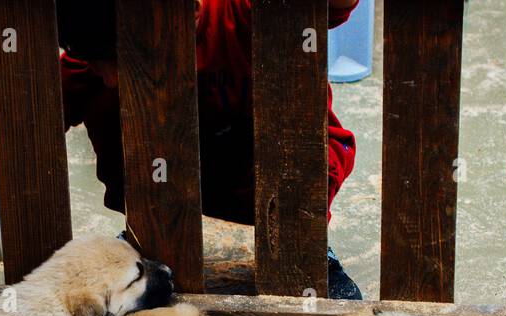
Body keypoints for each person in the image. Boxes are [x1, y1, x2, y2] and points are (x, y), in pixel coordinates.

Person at [58, 0, 364, 300]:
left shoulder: (239, 12)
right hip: (163, 191)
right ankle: (147, 239)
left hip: (264, 187)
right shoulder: (90, 53)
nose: (110, 77)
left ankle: (302, 242)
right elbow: (34, 113)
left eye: (116, 58)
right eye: (96, 64)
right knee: (100, 95)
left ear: (193, 10)